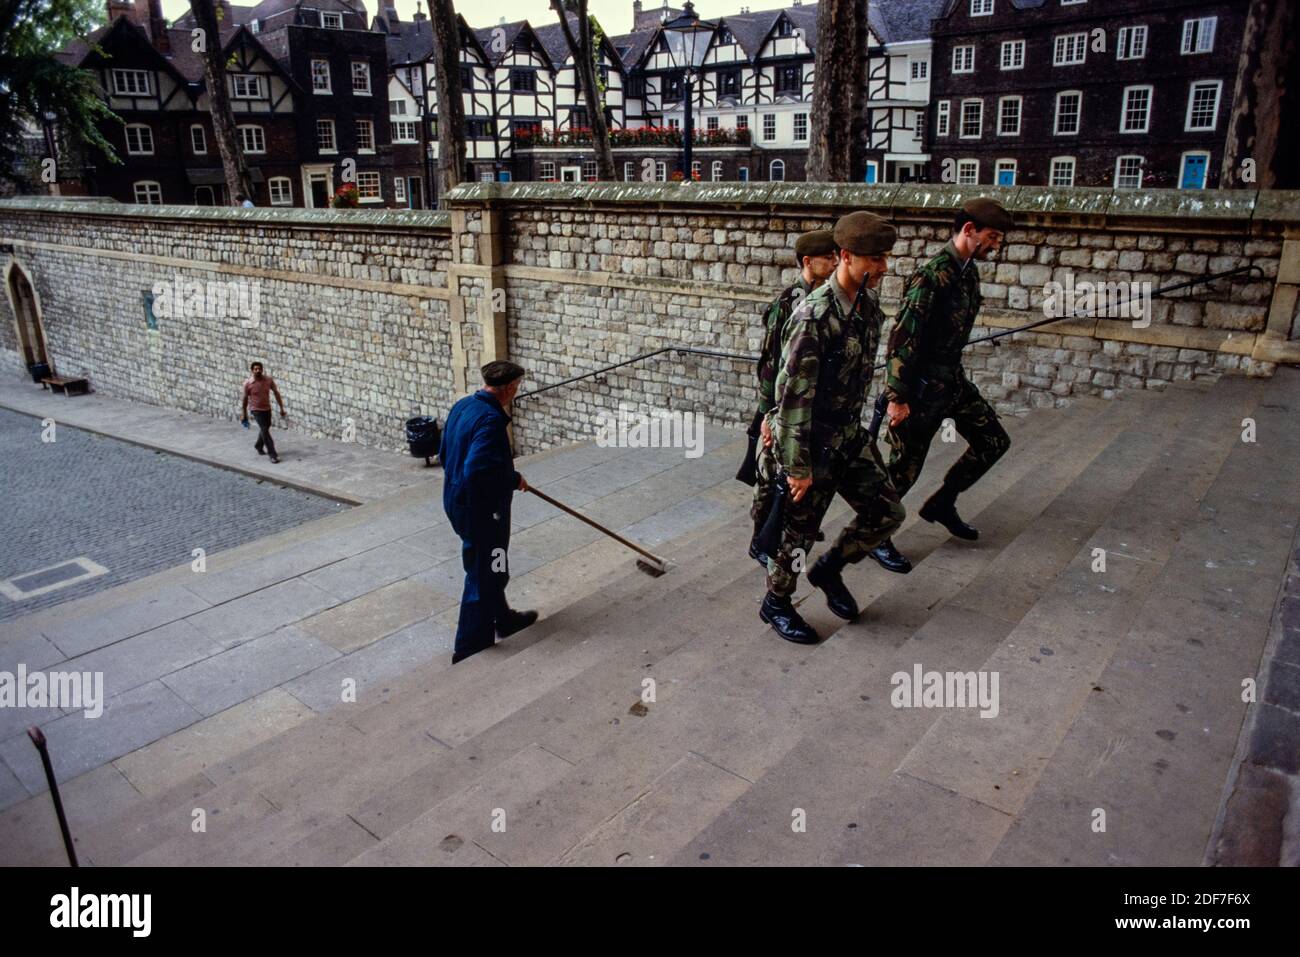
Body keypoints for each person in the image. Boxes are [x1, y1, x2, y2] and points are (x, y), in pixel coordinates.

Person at [756, 210, 907, 644]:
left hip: (848, 437)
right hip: (810, 444)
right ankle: (777, 603)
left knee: (887, 512)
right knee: (796, 537)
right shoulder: (813, 316)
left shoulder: (867, 304)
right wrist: (796, 466)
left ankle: (831, 569)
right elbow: (792, 400)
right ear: (845, 256)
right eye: (873, 258)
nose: (882, 267)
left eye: (884, 258)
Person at [872, 198, 1014, 571]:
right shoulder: (931, 276)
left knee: (994, 441)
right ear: (969, 230)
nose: (996, 244)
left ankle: (942, 502)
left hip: (951, 381)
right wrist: (897, 397)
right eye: (992, 236)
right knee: (904, 468)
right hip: (919, 391)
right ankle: (874, 532)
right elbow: (902, 339)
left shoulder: (968, 271)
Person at [747, 229, 839, 564]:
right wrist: (768, 414)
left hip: (810, 409)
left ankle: (788, 529)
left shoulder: (829, 301)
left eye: (834, 256)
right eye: (826, 258)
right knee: (770, 480)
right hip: (781, 408)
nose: (833, 263)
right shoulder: (787, 305)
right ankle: (761, 537)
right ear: (806, 262)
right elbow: (770, 364)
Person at [440, 360, 539, 664]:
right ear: (508, 388)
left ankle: (504, 619)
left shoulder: (463, 405)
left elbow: (445, 453)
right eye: (517, 387)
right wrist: (511, 479)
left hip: (456, 501)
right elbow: (477, 469)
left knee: (494, 564)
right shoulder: (490, 421)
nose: (516, 392)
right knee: (484, 570)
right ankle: (469, 645)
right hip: (483, 511)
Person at [240, 361, 286, 464]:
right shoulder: (248, 384)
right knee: (265, 430)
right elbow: (244, 399)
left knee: (265, 428)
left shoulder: (268, 380)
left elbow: (276, 393)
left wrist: (281, 408)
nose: (258, 371)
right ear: (252, 370)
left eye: (259, 369)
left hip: (267, 409)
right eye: (255, 369)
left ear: (262, 369)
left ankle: (258, 445)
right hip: (256, 410)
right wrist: (244, 413)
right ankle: (272, 454)